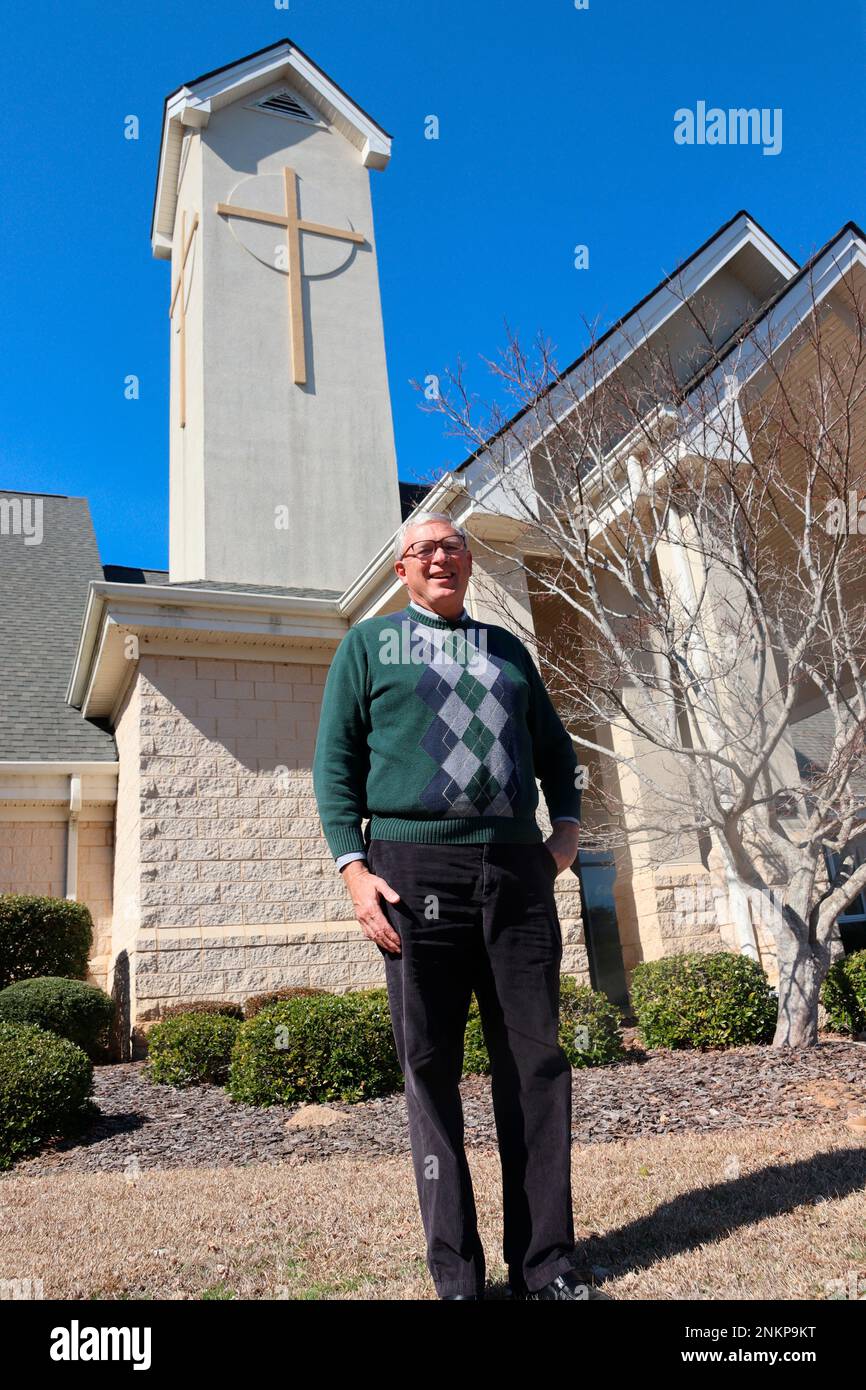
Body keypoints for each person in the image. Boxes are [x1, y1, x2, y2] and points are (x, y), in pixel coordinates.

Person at [312, 511, 590, 1300]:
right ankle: (457, 1276)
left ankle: (548, 1266)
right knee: (429, 1068)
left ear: (468, 564)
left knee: (536, 1064)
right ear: (401, 569)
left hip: (515, 871)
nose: (440, 557)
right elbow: (333, 764)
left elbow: (558, 757)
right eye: (423, 549)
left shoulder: (507, 652)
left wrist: (562, 838)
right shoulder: (368, 648)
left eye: (453, 547)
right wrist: (354, 871)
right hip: (413, 871)